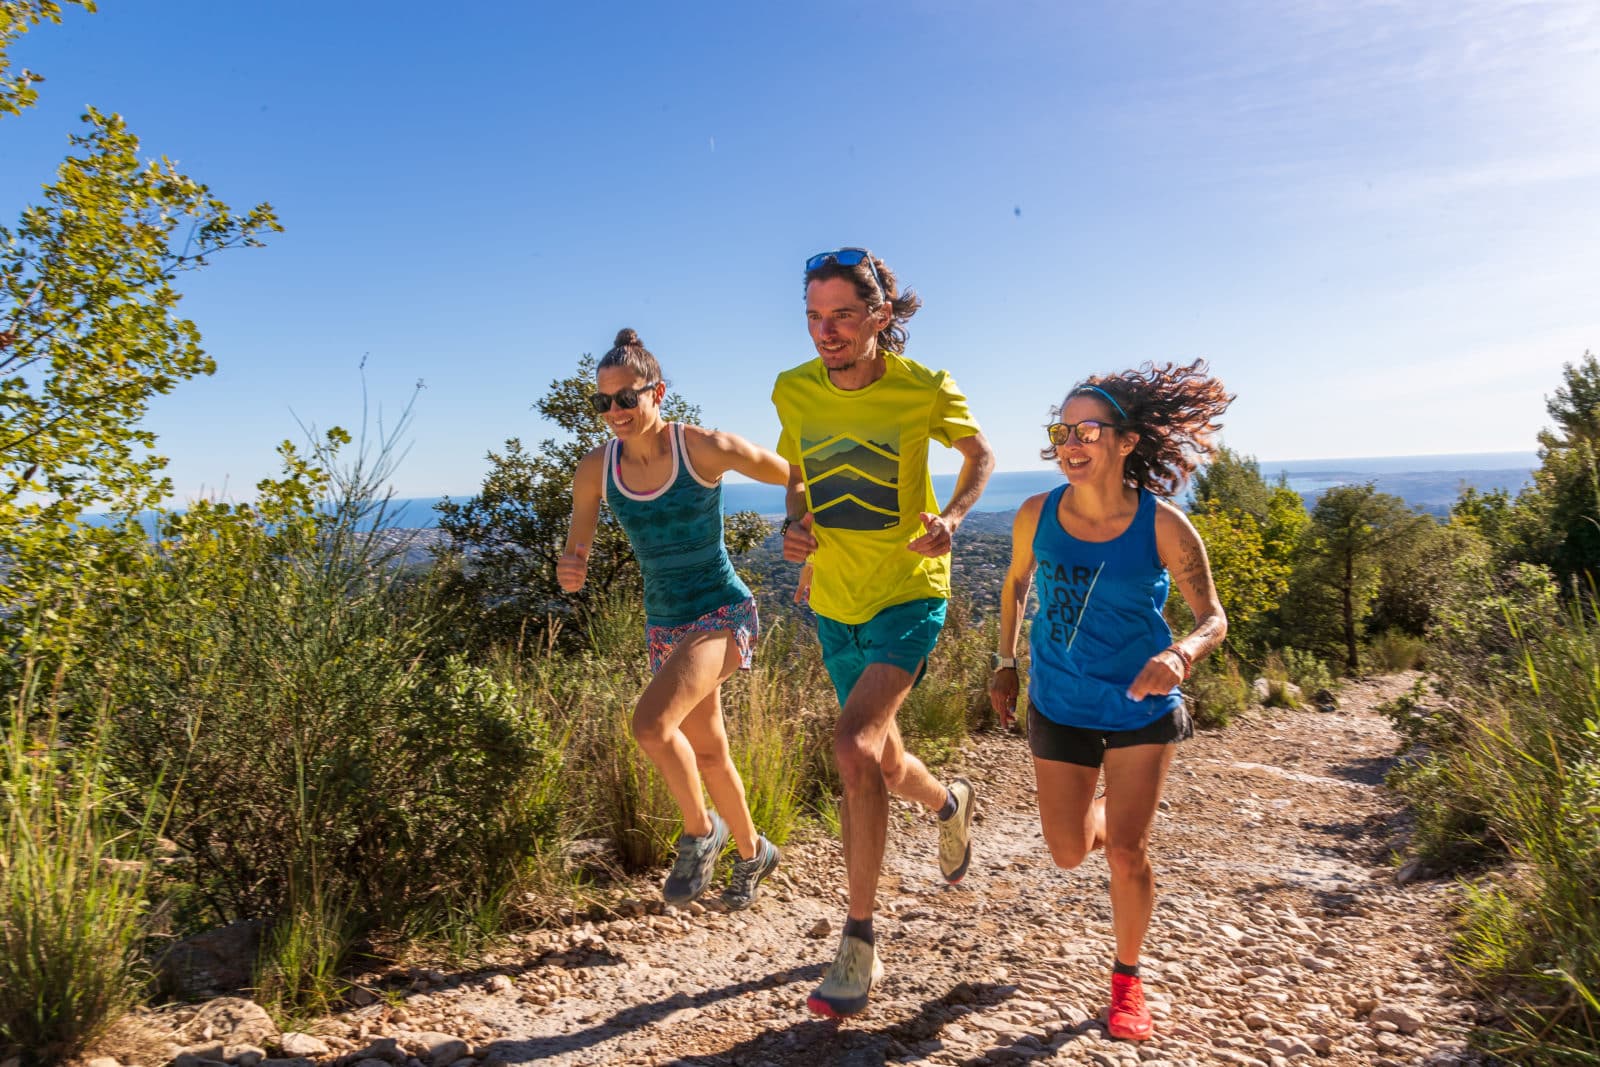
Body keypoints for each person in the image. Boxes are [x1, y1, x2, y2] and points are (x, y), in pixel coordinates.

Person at [773, 248, 995, 1017]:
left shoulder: (923, 387)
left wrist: (955, 519)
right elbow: (798, 470)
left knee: (853, 747)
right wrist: (795, 524)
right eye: (812, 316)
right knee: (885, 756)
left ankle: (858, 938)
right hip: (834, 597)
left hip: (908, 591)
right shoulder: (792, 389)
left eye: (840, 315)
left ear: (878, 317)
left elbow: (980, 454)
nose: (824, 332)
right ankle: (948, 805)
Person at [987, 361, 1230, 1042]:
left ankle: (1127, 980)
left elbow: (1214, 617)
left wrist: (1180, 653)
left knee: (1126, 848)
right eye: (1063, 429)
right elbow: (1013, 586)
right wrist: (1005, 664)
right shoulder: (1036, 514)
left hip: (1139, 709)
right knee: (1068, 850)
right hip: (1058, 702)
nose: (1071, 440)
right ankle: (1099, 803)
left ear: (1125, 441)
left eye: (1087, 428)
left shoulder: (1165, 526)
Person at [559, 328, 790, 911]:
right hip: (665, 625)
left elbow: (796, 475)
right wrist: (573, 564)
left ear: (657, 392)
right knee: (708, 751)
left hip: (722, 611)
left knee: (651, 726)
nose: (614, 412)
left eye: (626, 399)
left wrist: (800, 528)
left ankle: (699, 831)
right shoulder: (596, 468)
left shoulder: (704, 448)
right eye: (602, 403)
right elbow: (577, 542)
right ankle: (752, 852)